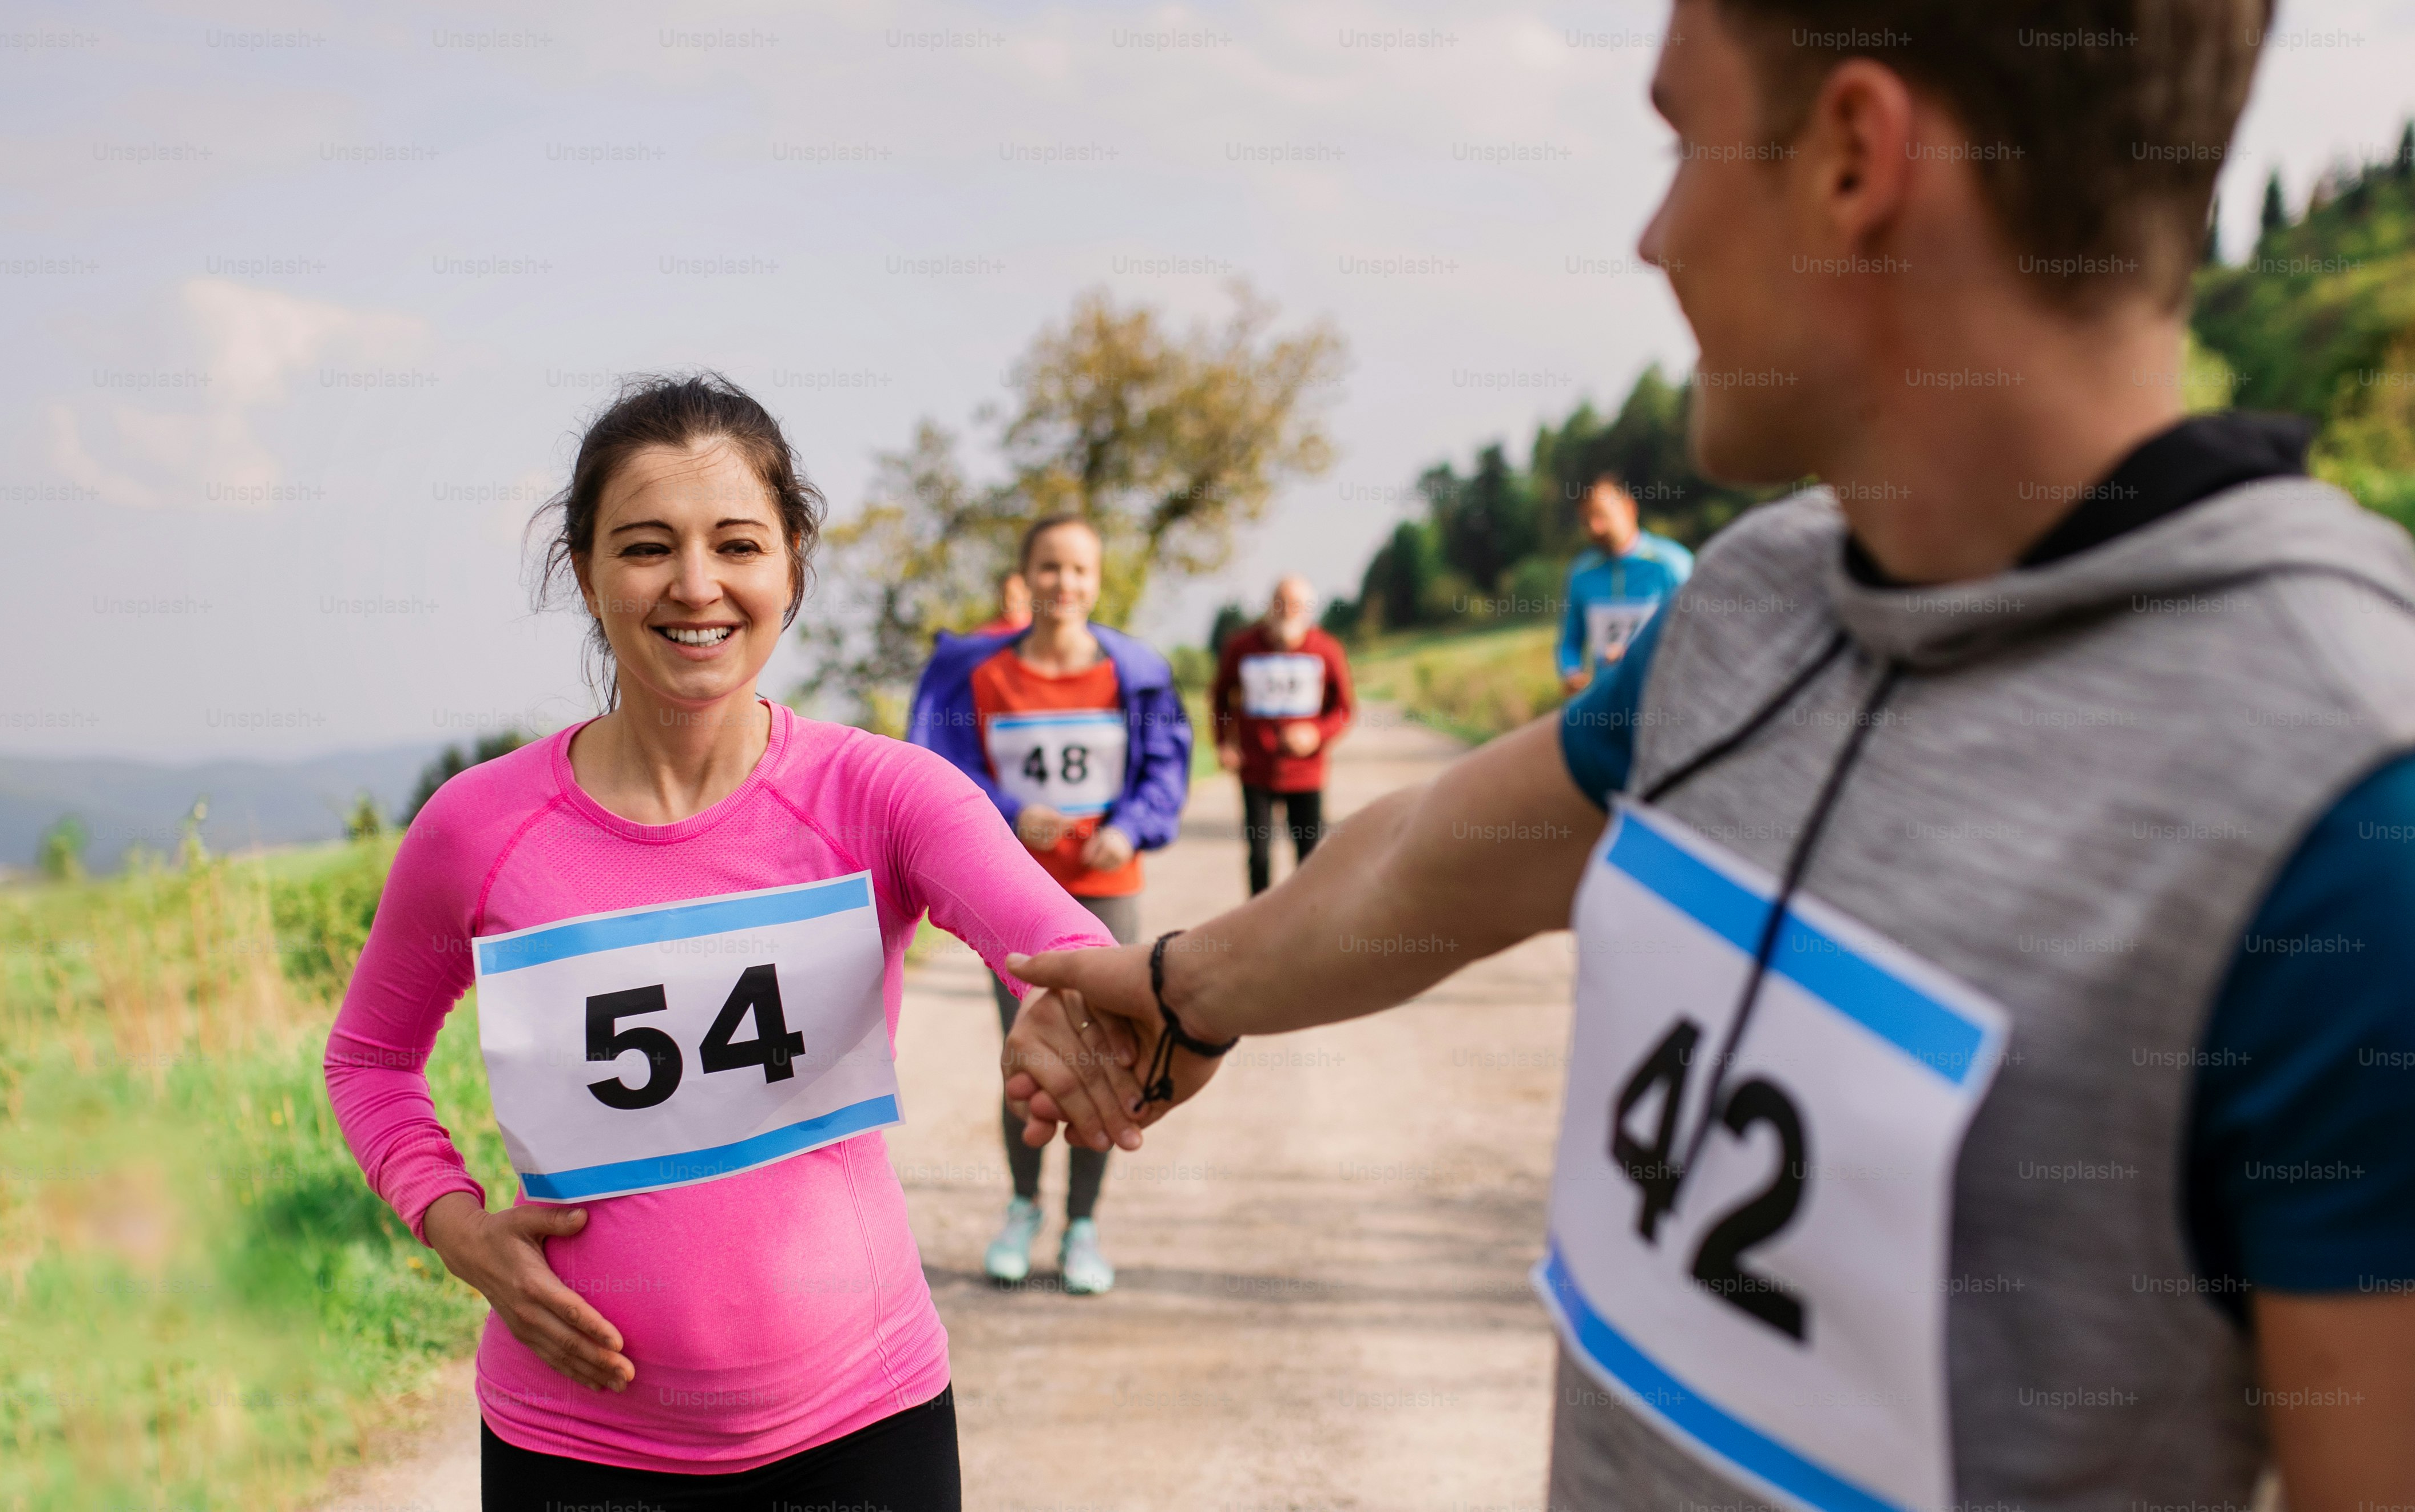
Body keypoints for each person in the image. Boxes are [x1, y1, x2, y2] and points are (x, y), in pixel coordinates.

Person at [1000, 5, 2415, 1510]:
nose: (1649, 238)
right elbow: (1444, 855)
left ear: (1853, 160)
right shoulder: (1758, 597)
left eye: (1683, 145)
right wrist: (1172, 995)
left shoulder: (2348, 820)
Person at [324, 374, 1119, 1512]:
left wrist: (1081, 1002)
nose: (696, 585)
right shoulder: (477, 828)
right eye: (647, 546)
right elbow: (367, 1060)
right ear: (587, 571)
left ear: (791, 562)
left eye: (737, 543)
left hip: (865, 1426)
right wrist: (454, 1227)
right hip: (573, 1446)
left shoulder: (882, 795)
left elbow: (1057, 940)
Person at [906, 515, 1190, 1294]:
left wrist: (1129, 828)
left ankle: (1083, 1225)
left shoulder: (1129, 673)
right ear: (1025, 576)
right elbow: (944, 771)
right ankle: (1024, 1206)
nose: (1064, 583)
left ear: (1097, 581)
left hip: (1106, 897)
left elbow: (1163, 765)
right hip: (1014, 898)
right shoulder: (982, 674)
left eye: (1078, 570)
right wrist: (1005, 811)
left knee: (1108, 1056)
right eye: (1049, 567)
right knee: (1030, 1060)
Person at [1212, 574, 1355, 895]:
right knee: (1259, 858)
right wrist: (1224, 742)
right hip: (1256, 770)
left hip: (1307, 773)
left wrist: (1316, 734)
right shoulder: (1243, 647)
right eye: (1281, 603)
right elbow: (1221, 697)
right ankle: (1256, 927)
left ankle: (1309, 925)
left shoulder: (1327, 650)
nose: (1288, 611)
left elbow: (1344, 709)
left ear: (1307, 610)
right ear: (1271, 606)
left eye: (1296, 605)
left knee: (1310, 857)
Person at [1555, 474, 1694, 693]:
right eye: (1586, 520)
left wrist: (1636, 654)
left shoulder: (1673, 565)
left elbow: (1697, 637)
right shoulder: (1580, 573)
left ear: (1630, 508)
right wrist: (1572, 673)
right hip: (1608, 702)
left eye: (1601, 515)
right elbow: (1570, 641)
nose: (1595, 527)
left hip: (1665, 698)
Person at [971, 570, 1034, 636]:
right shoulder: (986, 634)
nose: (1012, 604)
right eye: (1009, 597)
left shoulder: (1040, 632)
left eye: (1019, 595)